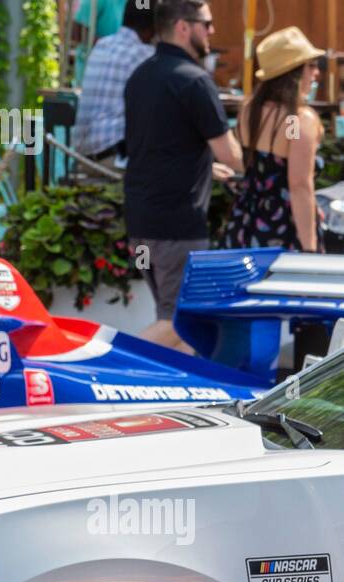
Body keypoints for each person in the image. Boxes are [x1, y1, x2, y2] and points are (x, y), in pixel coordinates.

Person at [124, 0, 243, 349]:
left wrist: (204, 165)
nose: (212, 31)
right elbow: (233, 157)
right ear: (183, 26)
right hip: (176, 225)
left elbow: (160, 143)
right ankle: (104, 367)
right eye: (206, 23)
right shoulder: (194, 81)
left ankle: (166, 402)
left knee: (180, 329)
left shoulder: (140, 76)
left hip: (141, 222)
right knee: (178, 322)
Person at [221, 27, 324, 252]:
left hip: (245, 222)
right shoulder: (296, 120)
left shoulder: (248, 110)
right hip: (283, 229)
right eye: (312, 65)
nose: (316, 73)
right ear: (295, 72)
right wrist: (310, 249)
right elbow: (299, 186)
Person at [73, 1, 156, 162]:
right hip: (113, 155)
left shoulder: (103, 45)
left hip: (84, 153)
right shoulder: (146, 55)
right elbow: (77, 31)